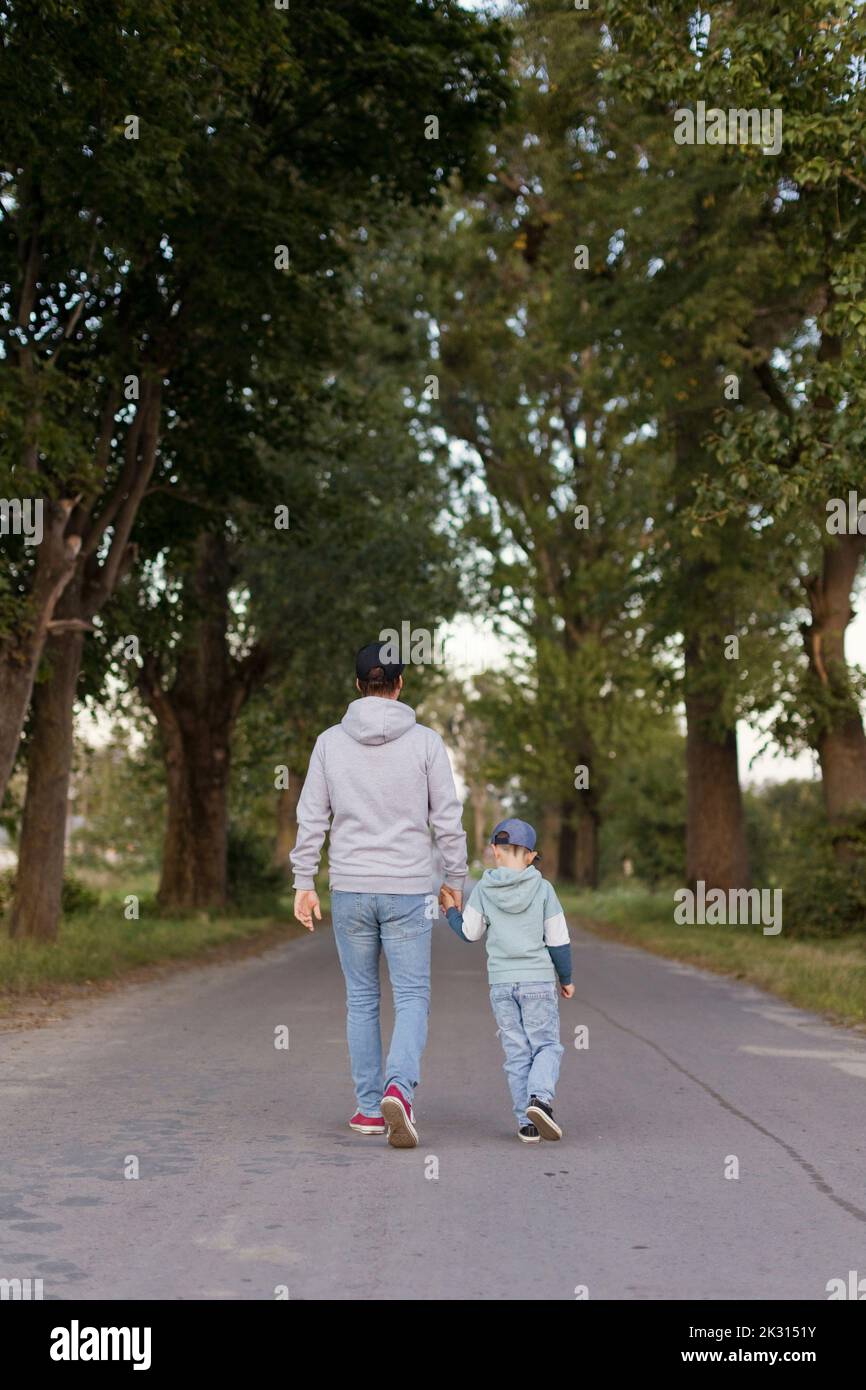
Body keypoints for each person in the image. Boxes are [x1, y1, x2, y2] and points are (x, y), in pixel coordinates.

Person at [291, 640, 467, 1149]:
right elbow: (447, 821)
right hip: (409, 888)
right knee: (412, 996)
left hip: (350, 888)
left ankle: (371, 1108)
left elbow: (311, 817)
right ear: (400, 684)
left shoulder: (329, 742)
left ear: (356, 686)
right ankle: (399, 1089)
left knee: (362, 999)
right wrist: (453, 880)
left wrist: (304, 883)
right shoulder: (427, 743)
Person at [440, 818, 574, 1143]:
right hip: (538, 982)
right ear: (531, 856)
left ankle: (527, 1124)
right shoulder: (543, 889)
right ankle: (539, 1099)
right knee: (545, 1044)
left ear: (494, 852)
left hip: (502, 985)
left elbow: (470, 933)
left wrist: (450, 912)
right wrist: (566, 978)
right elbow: (558, 940)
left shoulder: (484, 889)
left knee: (516, 1052)